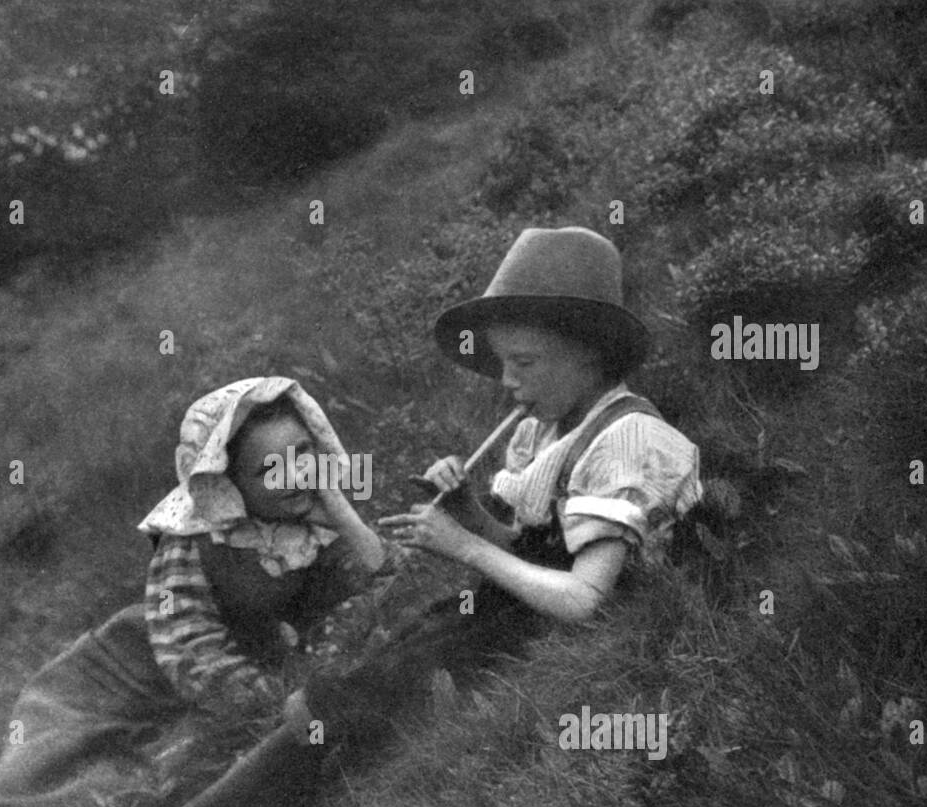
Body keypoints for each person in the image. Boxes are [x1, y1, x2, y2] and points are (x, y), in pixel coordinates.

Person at [292, 226, 703, 737]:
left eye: (524, 362)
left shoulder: (628, 440)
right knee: (410, 647)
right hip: (531, 604)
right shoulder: (540, 431)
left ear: (590, 355)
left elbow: (584, 600)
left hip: (577, 617)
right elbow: (532, 552)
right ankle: (299, 750)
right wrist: (469, 511)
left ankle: (294, 758)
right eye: (503, 362)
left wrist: (464, 547)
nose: (507, 380)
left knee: (407, 674)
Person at [0, 376, 393, 807]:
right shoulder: (195, 543)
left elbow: (377, 582)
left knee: (216, 761)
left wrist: (344, 516)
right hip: (122, 679)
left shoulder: (298, 525)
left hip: (213, 673)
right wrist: (267, 696)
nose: (297, 474)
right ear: (227, 485)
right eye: (271, 470)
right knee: (87, 791)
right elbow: (191, 649)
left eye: (304, 454)